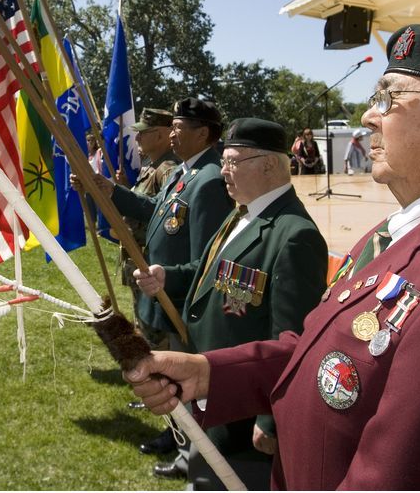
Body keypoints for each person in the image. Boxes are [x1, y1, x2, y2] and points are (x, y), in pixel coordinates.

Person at [126, 24, 420, 490]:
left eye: (388, 99)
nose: (367, 116)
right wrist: (210, 375)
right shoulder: (401, 231)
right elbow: (326, 354)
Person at [134, 117, 328, 489]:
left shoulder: (293, 235)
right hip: (208, 396)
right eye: (223, 160)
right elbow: (206, 272)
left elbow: (293, 340)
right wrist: (167, 277)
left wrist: (270, 420)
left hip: (242, 416)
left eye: (233, 161)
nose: (223, 170)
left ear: (269, 164)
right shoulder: (242, 213)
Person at [75, 97, 233, 478]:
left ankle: (195, 462)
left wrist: (169, 280)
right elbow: (154, 210)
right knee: (172, 385)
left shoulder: (210, 180)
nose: (173, 134)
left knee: (185, 389)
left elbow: (206, 259)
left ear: (204, 134)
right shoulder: (185, 172)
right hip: (161, 298)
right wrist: (110, 190)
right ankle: (184, 454)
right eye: (173, 127)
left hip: (179, 305)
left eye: (180, 128)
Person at [120, 107, 180, 350]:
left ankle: (162, 375)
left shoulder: (168, 170)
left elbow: (169, 216)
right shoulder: (150, 167)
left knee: (154, 327)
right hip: (138, 259)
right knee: (142, 320)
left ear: (161, 135)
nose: (137, 138)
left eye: (143, 134)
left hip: (150, 262)